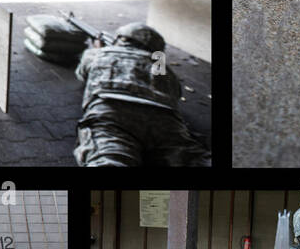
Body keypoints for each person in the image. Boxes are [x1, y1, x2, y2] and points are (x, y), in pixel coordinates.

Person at [73, 22, 210, 167]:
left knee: (109, 159)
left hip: (112, 111)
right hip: (165, 117)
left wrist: (97, 49)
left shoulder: (98, 54)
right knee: (194, 159)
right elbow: (175, 93)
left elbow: (81, 73)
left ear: (121, 38)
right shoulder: (162, 67)